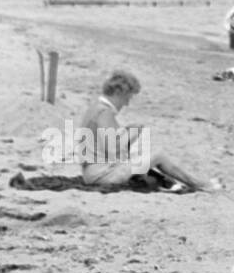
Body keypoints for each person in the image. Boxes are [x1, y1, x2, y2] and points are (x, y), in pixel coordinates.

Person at [75, 71, 220, 192]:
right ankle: (200, 184)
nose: (127, 103)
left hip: (93, 172)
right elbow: (113, 148)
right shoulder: (104, 112)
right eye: (128, 97)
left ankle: (170, 182)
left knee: (142, 153)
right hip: (102, 176)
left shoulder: (96, 108)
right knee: (158, 155)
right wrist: (133, 133)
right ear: (119, 92)